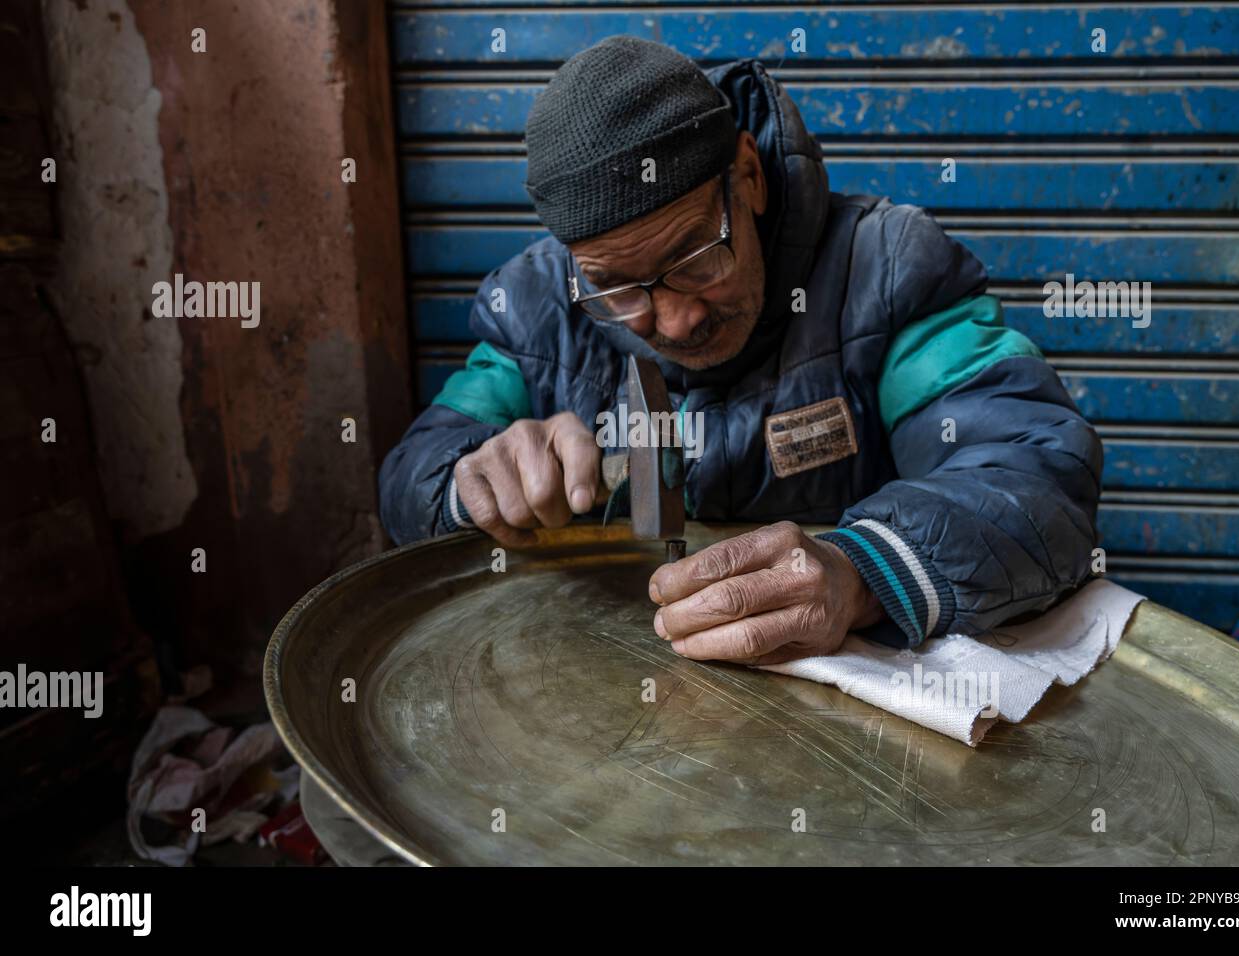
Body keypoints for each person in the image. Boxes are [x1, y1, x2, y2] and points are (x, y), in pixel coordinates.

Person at [379, 36, 1102, 666]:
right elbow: (417, 468)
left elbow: (1033, 470)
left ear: (748, 176)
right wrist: (466, 484)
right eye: (619, 288)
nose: (674, 319)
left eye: (695, 258)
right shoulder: (539, 307)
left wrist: (862, 572)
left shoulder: (885, 271)